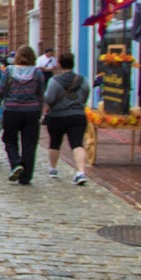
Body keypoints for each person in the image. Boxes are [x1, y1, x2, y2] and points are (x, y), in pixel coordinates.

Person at [0, 45, 45, 185]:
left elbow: (0, 90)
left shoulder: (9, 71)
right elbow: (41, 94)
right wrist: (40, 111)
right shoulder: (38, 73)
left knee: (9, 140)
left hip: (12, 110)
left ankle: (16, 163)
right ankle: (26, 177)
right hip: (32, 111)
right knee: (29, 144)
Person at [43, 52, 90, 185]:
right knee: (77, 143)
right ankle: (80, 172)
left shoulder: (54, 81)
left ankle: (53, 168)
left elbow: (49, 98)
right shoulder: (82, 80)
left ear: (59, 64)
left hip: (57, 116)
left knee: (55, 142)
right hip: (78, 115)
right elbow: (86, 93)